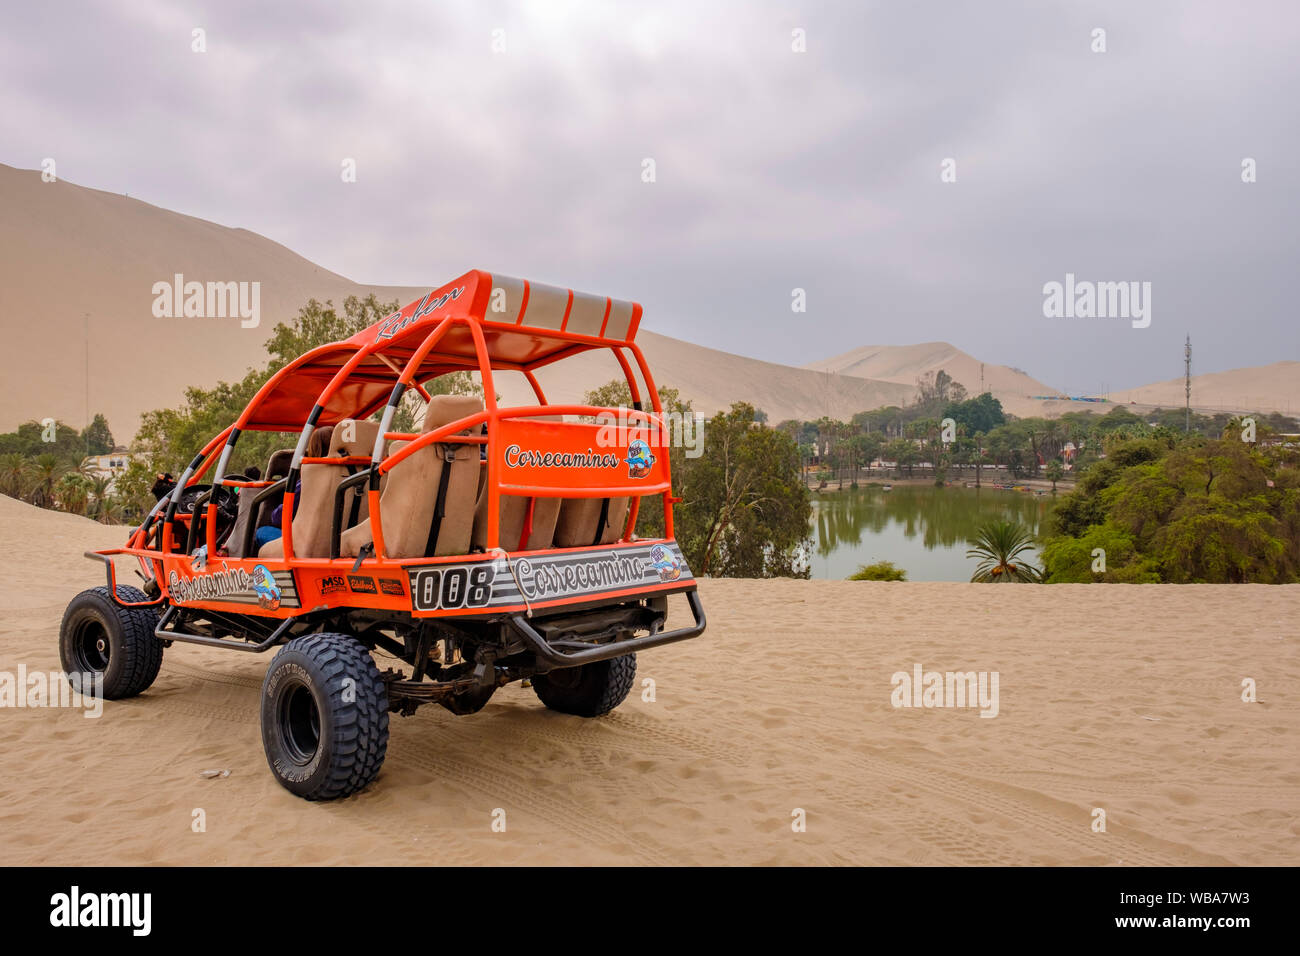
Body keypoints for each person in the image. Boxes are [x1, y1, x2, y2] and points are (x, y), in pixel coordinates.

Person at [254, 425, 333, 551]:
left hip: (308, 544)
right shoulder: (354, 477)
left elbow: (277, 517)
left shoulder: (308, 482)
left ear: (313, 450)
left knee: (262, 532)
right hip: (336, 541)